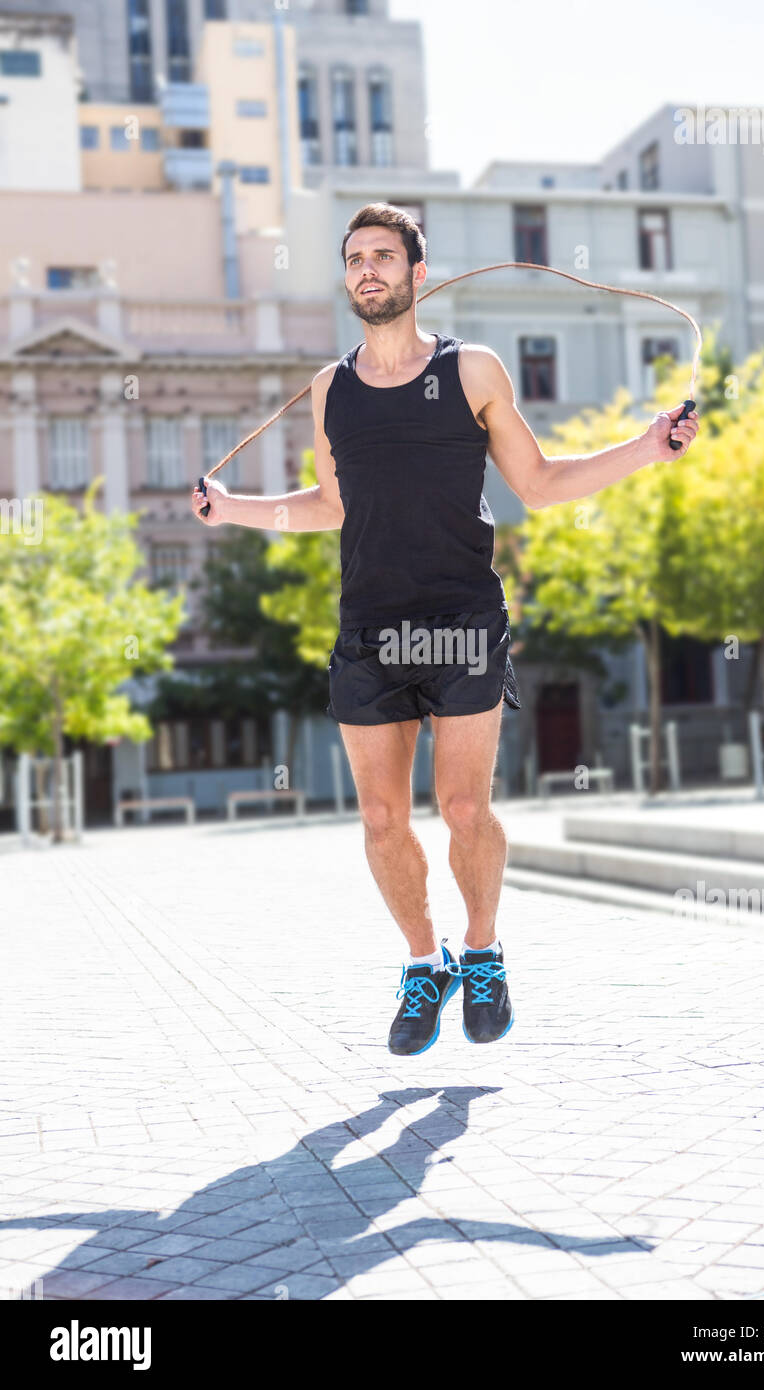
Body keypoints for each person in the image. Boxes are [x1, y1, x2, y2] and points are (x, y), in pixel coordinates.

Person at [192, 202, 699, 1057]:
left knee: (464, 807)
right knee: (384, 821)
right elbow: (330, 505)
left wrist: (647, 448)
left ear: (418, 275)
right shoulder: (332, 390)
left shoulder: (473, 372)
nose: (367, 270)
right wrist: (232, 508)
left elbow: (537, 483)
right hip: (369, 629)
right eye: (355, 257)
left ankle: (485, 950)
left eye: (384, 256)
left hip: (463, 616)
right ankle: (424, 963)